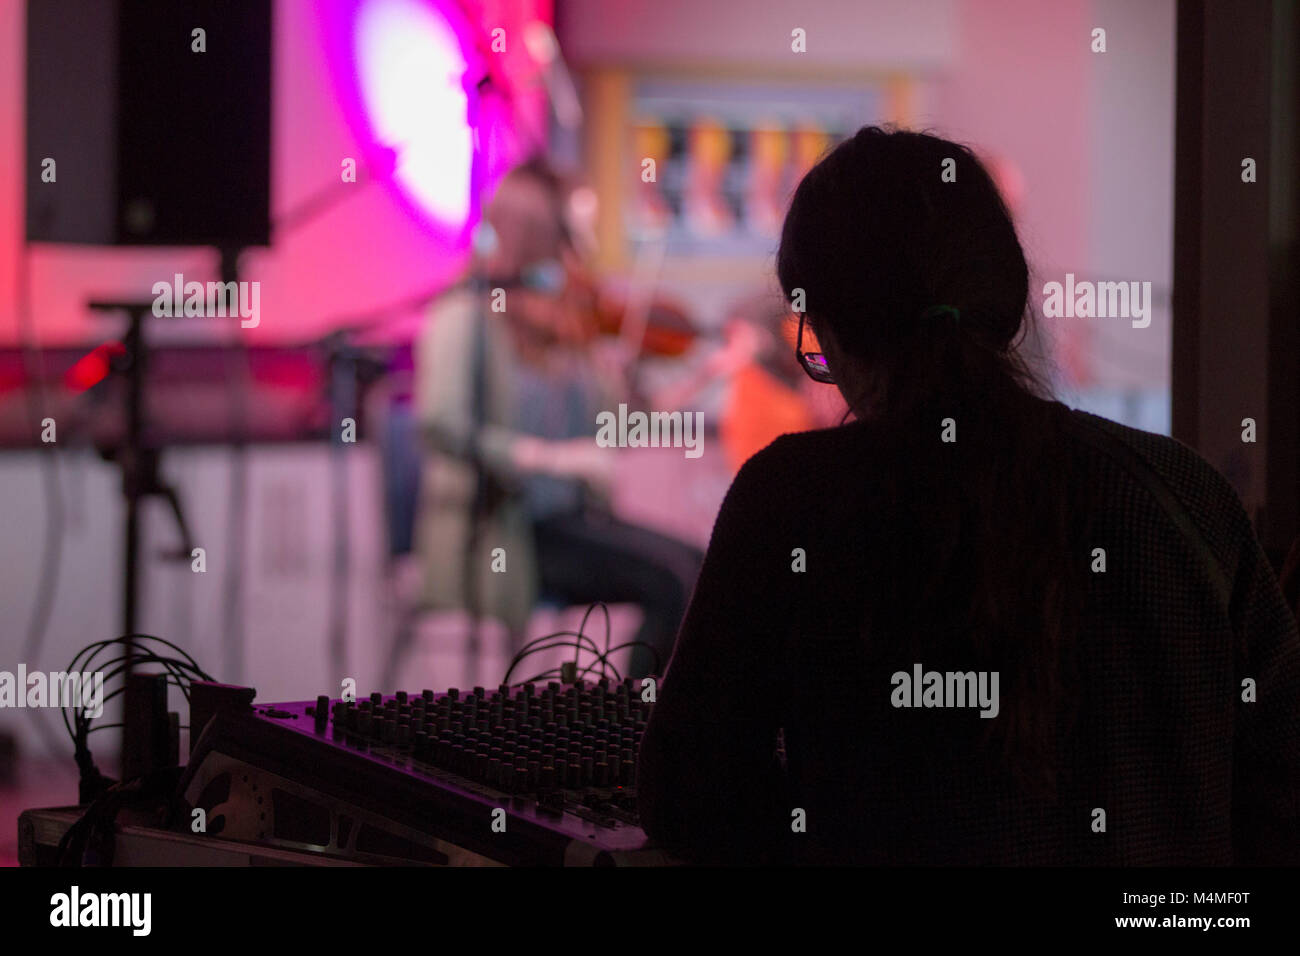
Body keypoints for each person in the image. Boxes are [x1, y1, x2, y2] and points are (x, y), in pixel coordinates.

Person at [636, 126, 1300, 864]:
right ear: (1012, 309)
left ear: (830, 329)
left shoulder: (788, 500)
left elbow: (689, 796)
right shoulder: (1186, 496)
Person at [407, 157, 703, 681]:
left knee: (703, 565)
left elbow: (611, 428)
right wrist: (545, 457)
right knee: (673, 581)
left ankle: (648, 722)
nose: (584, 249)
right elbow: (442, 425)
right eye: (575, 232)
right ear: (541, 234)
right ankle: (631, 725)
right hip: (508, 532)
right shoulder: (464, 317)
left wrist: (675, 388)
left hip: (572, 521)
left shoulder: (566, 322)